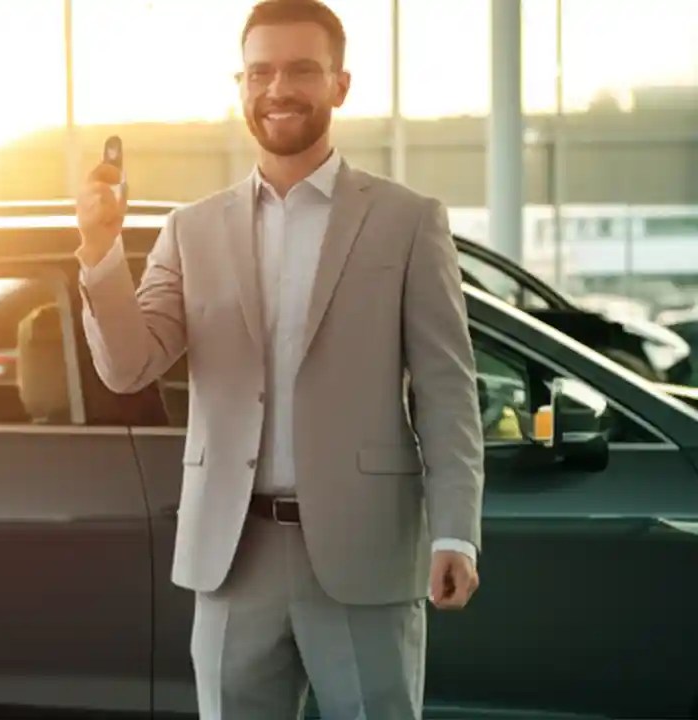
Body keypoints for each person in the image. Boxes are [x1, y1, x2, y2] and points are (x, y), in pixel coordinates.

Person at [74, 0, 484, 717]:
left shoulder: (408, 221)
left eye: (301, 70)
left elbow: (447, 391)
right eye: (260, 71)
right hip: (233, 557)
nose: (278, 89)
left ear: (340, 85)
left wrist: (456, 531)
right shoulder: (190, 229)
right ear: (241, 85)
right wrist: (101, 250)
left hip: (365, 552)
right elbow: (127, 367)